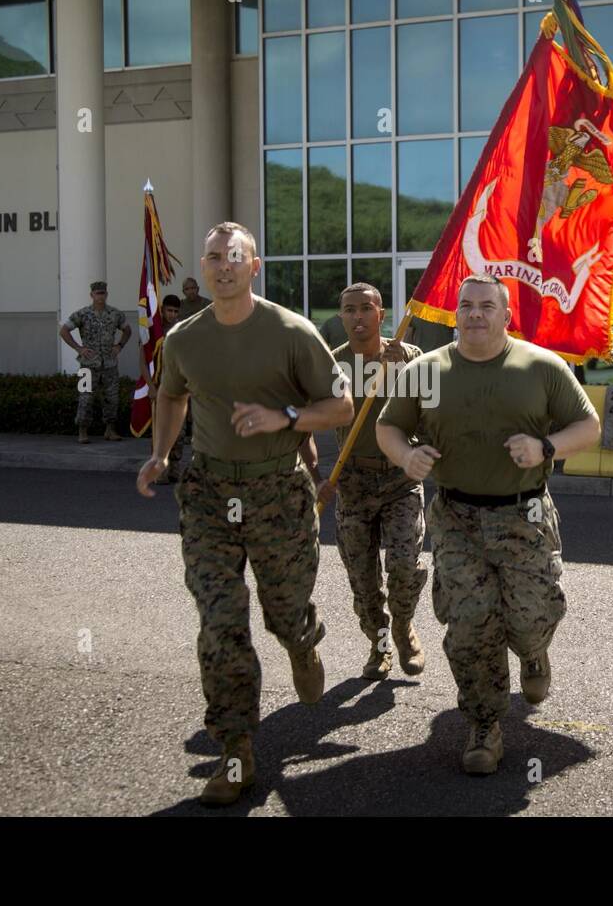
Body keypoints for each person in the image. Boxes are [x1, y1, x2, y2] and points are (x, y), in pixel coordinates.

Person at [135, 221, 355, 806]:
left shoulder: (291, 332)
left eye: (234, 257)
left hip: (278, 491)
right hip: (208, 491)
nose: (222, 266)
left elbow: (341, 406)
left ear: (253, 266)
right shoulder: (183, 339)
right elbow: (172, 394)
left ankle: (303, 643)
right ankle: (236, 752)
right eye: (213, 257)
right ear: (204, 268)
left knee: (283, 613)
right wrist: (160, 453)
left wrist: (284, 416)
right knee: (220, 619)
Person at [376, 274, 601, 776]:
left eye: (486, 306)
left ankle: (534, 651)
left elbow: (588, 427)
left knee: (529, 616)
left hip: (525, 514)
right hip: (456, 516)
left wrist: (545, 448)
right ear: (455, 314)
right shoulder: (426, 371)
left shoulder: (540, 366)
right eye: (466, 306)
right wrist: (406, 456)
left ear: (506, 316)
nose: (475, 314)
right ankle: (483, 725)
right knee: (471, 622)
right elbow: (387, 426)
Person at [315, 283, 427, 681]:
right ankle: (379, 646)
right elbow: (314, 420)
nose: (358, 317)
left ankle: (403, 627)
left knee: (403, 567)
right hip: (353, 483)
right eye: (349, 310)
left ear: (382, 315)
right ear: (341, 317)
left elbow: (429, 415)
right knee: (362, 579)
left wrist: (400, 373)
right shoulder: (334, 364)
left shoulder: (409, 358)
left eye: (367, 308)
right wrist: (316, 476)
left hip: (399, 479)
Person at [59, 280, 132, 443]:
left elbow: (127, 330)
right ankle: (82, 431)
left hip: (109, 365)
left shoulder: (115, 314)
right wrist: (79, 348)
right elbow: (64, 331)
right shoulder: (82, 314)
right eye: (97, 293)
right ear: (91, 295)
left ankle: (110, 430)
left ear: (107, 294)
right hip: (87, 365)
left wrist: (119, 345)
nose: (101, 296)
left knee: (112, 399)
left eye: (103, 293)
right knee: (85, 398)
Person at [137, 295, 188, 484]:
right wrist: (150, 387)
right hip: (159, 387)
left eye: (175, 311)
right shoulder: (153, 332)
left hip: (178, 387)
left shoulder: (182, 330)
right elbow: (143, 361)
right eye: (169, 310)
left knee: (179, 432)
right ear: (162, 310)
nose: (172, 314)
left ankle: (175, 468)